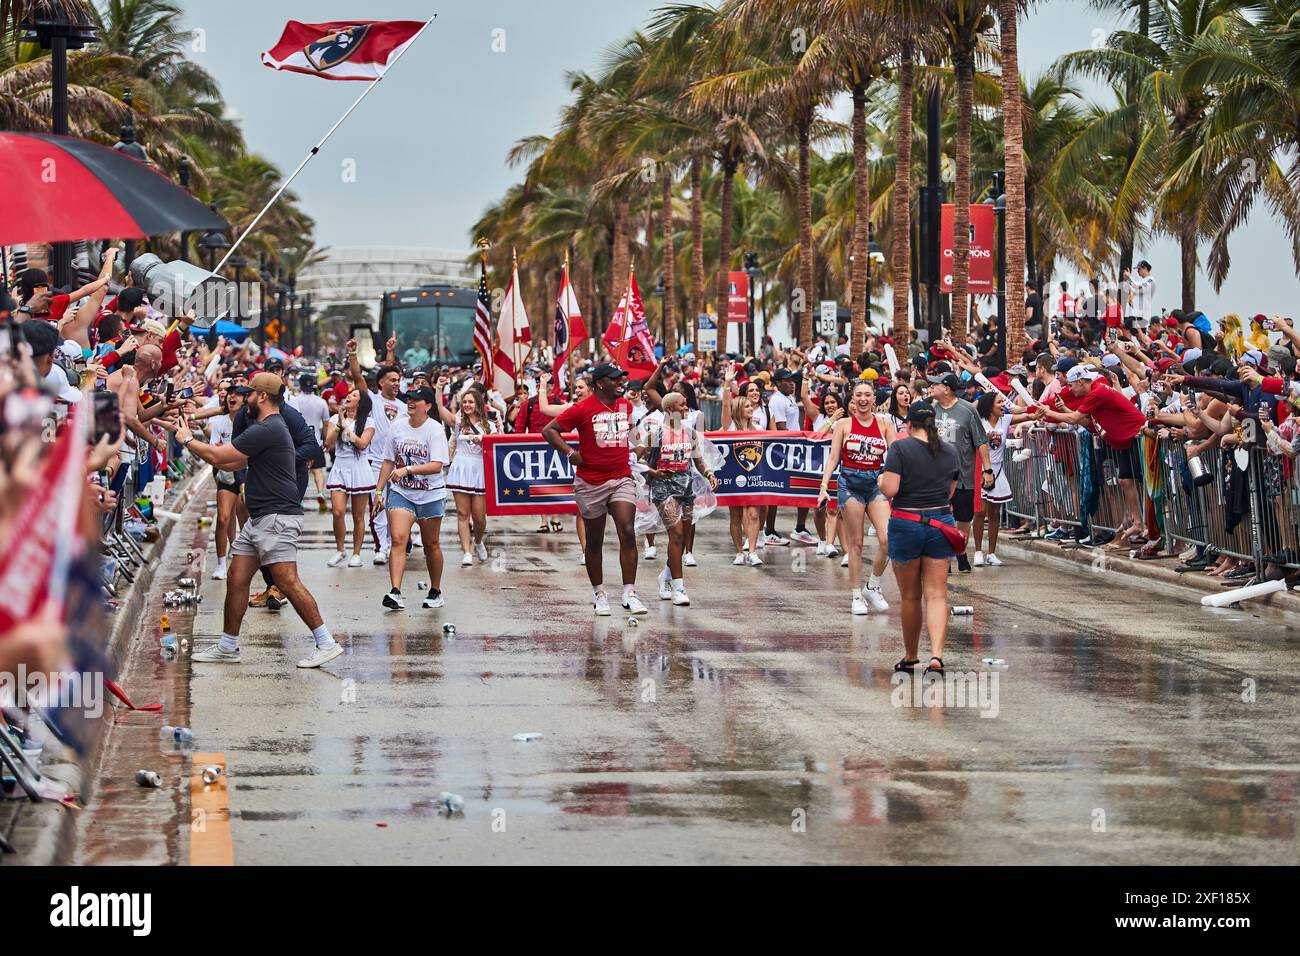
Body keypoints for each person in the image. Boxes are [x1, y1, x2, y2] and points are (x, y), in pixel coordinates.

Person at [181, 372, 341, 668]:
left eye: (249, 394)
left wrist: (187, 439)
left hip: (277, 517)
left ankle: (326, 642)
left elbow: (219, 457)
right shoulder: (266, 428)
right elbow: (234, 460)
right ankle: (228, 646)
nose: (245, 400)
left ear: (262, 397)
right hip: (259, 519)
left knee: (287, 582)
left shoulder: (270, 427)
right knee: (237, 577)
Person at [542, 363, 647, 616]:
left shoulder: (625, 406)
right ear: (600, 383)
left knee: (628, 531)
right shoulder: (582, 408)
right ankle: (599, 593)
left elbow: (632, 434)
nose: (621, 383)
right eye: (615, 379)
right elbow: (549, 430)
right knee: (594, 541)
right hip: (590, 483)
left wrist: (640, 447)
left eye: (622, 379)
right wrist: (570, 452)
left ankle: (629, 592)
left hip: (621, 478)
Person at [878, 402, 961, 677]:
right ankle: (936, 655)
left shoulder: (900, 448)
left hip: (907, 522)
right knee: (937, 595)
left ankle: (911, 656)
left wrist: (880, 481)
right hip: (940, 523)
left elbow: (891, 488)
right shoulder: (950, 451)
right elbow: (949, 492)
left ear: (909, 424)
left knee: (911, 596)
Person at [817, 381, 897, 615]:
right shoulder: (843, 424)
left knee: (888, 538)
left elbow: (896, 455)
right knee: (856, 543)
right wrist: (823, 486)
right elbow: (833, 458)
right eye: (859, 395)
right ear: (852, 399)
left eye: (868, 395)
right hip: (850, 484)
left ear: (874, 399)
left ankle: (873, 585)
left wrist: (896, 480)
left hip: (875, 484)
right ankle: (856, 596)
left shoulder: (884, 423)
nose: (863, 399)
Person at [635, 391, 718, 606]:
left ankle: (665, 577)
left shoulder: (689, 432)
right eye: (682, 405)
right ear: (670, 410)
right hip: (663, 488)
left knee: (681, 538)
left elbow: (698, 460)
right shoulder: (656, 434)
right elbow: (636, 459)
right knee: (677, 533)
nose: (686, 407)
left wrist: (709, 474)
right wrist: (652, 473)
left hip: (686, 487)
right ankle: (679, 589)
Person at [374, 387, 450, 610]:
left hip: (430, 495)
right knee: (398, 539)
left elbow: (437, 466)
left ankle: (435, 591)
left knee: (431, 544)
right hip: (401, 493)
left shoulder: (434, 430)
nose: (411, 402)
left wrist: (407, 470)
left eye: (417, 400)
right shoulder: (397, 426)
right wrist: (379, 491)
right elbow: (388, 460)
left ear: (427, 405)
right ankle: (395, 592)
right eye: (409, 398)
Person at [346, 337, 406, 564]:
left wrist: (390, 352)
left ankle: (397, 544)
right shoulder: (372, 401)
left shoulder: (404, 406)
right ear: (380, 383)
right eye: (391, 380)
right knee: (378, 507)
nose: (396, 383)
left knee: (397, 507)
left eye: (398, 380)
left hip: (399, 466)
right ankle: (381, 548)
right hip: (375, 463)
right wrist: (352, 354)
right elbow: (359, 377)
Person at [927, 372, 994, 572]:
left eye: (935, 385)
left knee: (964, 518)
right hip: (936, 478)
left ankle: (960, 551)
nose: (932, 388)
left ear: (946, 388)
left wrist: (987, 470)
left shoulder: (967, 410)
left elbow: (981, 441)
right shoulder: (930, 410)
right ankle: (944, 555)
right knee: (938, 517)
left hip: (963, 476)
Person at [437, 383, 498, 567]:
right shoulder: (457, 422)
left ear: (479, 404)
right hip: (461, 466)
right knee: (463, 514)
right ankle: (466, 551)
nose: (467, 405)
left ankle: (478, 541)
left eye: (471, 402)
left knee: (479, 517)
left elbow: (496, 448)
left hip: (480, 469)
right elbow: (440, 409)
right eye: (465, 402)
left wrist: (484, 441)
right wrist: (439, 389)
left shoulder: (491, 426)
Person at [972, 390, 1031, 566]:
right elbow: (972, 408)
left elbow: (1029, 415)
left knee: (995, 513)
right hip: (981, 469)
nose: (1003, 406)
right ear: (989, 406)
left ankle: (991, 552)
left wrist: (1039, 411)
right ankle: (977, 551)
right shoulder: (979, 422)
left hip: (998, 470)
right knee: (980, 512)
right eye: (999, 402)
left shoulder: (1006, 420)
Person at [324, 389, 376, 567]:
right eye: (349, 394)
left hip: (359, 467)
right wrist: (339, 424)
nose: (349, 396)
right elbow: (328, 443)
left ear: (361, 403)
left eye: (354, 396)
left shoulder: (369, 422)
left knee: (358, 515)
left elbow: (362, 444)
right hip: (340, 466)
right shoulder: (334, 419)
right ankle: (340, 550)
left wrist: (346, 426)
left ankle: (356, 553)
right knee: (338, 512)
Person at [207, 384, 250, 580]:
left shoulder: (251, 423)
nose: (232, 397)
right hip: (226, 475)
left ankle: (245, 556)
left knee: (246, 517)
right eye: (229, 394)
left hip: (248, 475)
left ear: (245, 400)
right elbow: (214, 453)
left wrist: (226, 449)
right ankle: (221, 564)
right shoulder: (218, 422)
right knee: (223, 517)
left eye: (237, 395)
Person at [289, 373, 331, 513]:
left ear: (300, 385)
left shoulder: (295, 401)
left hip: (299, 442)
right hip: (315, 441)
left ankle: (297, 499)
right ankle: (320, 492)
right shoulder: (321, 401)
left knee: (299, 472)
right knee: (318, 471)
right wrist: (325, 439)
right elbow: (326, 423)